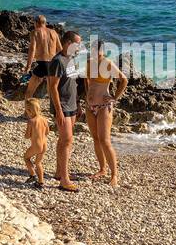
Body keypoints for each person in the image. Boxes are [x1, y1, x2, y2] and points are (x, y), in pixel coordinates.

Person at [84, 38, 128, 185]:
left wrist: (114, 98)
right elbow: (86, 80)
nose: (96, 52)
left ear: (103, 50)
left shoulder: (107, 63)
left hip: (104, 107)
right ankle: (102, 169)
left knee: (105, 140)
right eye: (93, 50)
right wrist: (87, 94)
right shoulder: (89, 63)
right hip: (90, 106)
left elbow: (124, 79)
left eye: (98, 50)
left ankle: (114, 175)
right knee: (96, 139)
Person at [45, 30, 82, 192]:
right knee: (67, 140)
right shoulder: (58, 61)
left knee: (64, 140)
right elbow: (52, 87)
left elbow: (73, 83)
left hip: (72, 104)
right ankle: (64, 180)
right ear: (68, 43)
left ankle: (59, 172)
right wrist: (58, 110)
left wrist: (79, 103)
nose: (79, 47)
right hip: (63, 106)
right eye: (77, 44)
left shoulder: (71, 59)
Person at [23, 15, 61, 101]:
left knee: (29, 92)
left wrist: (28, 66)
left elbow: (32, 49)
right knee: (52, 92)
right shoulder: (54, 32)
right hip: (53, 64)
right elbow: (60, 50)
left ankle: (26, 113)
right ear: (45, 23)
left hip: (42, 65)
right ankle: (54, 112)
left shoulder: (35, 32)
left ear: (36, 23)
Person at [23, 100, 49, 187]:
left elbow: (27, 136)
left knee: (26, 158)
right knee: (38, 163)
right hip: (44, 144)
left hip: (36, 145)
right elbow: (47, 132)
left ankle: (33, 175)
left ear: (29, 111)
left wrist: (29, 135)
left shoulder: (31, 121)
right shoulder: (44, 119)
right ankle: (41, 182)